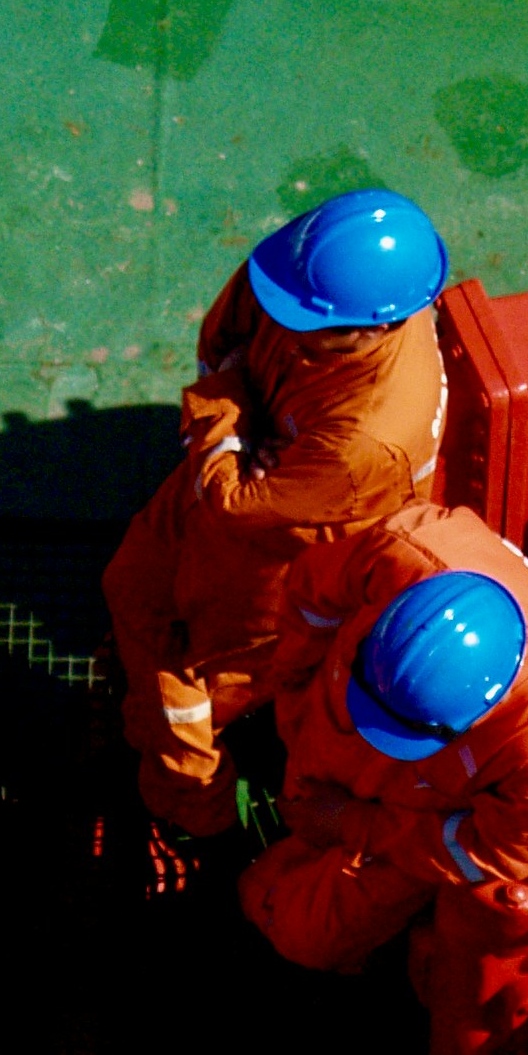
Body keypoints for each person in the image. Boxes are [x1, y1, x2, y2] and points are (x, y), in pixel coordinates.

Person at [102, 188, 449, 837]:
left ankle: (191, 816)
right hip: (228, 483)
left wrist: (227, 416)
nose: (281, 324)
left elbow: (236, 504)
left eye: (308, 329)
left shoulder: (369, 437)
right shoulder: (297, 277)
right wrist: (233, 433)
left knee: (189, 696)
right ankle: (134, 690)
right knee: (128, 585)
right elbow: (223, 338)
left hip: (284, 565)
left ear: (379, 326)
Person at [242, 502, 528, 972]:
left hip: (407, 812)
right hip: (322, 717)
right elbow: (311, 597)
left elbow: (496, 852)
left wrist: (351, 825)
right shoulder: (398, 552)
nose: (370, 735)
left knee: (306, 930)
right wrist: (291, 687)